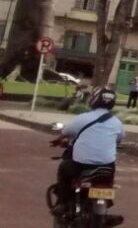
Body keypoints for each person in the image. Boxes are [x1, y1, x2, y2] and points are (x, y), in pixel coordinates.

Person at [53, 87, 125, 218]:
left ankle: (62, 203)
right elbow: (119, 139)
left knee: (64, 168)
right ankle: (105, 206)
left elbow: (65, 133)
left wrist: (57, 140)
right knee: (108, 180)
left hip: (81, 165)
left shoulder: (82, 118)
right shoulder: (117, 123)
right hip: (107, 167)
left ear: (94, 100)